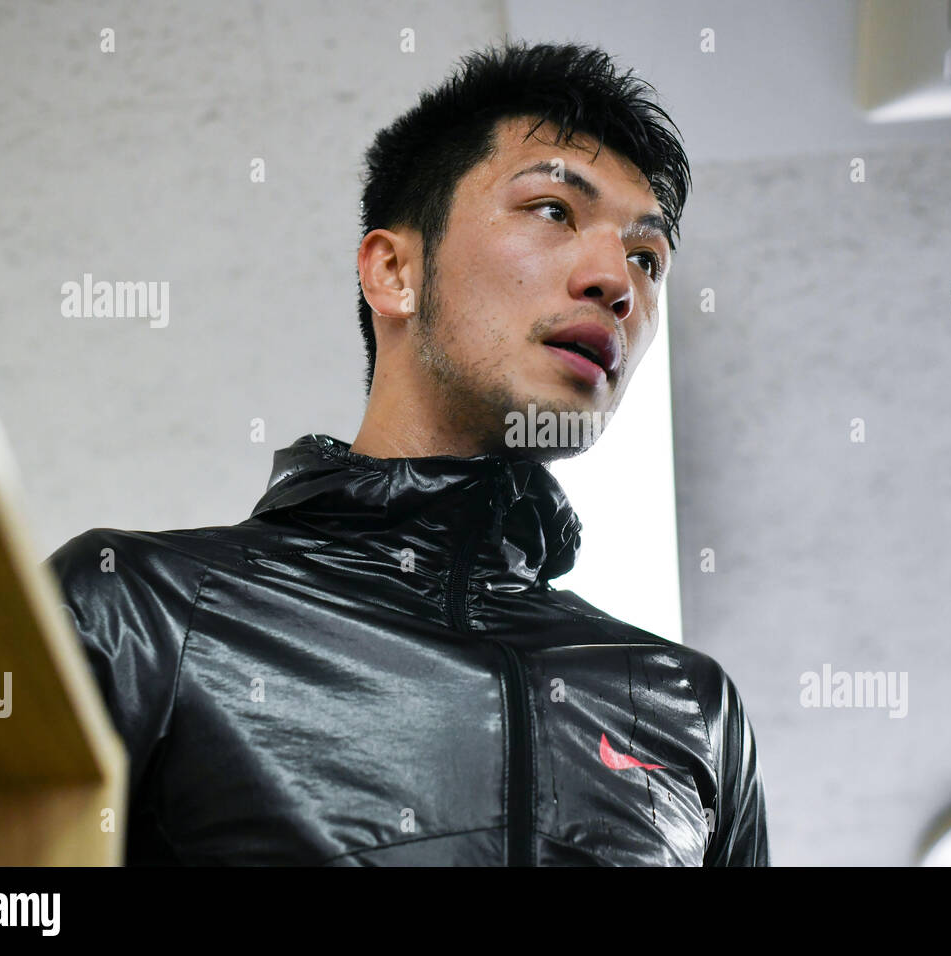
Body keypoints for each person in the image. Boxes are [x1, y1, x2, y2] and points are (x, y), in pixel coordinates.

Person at [47, 39, 769, 866]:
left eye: (647, 258)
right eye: (553, 211)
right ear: (394, 272)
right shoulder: (141, 610)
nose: (618, 282)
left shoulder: (690, 709)